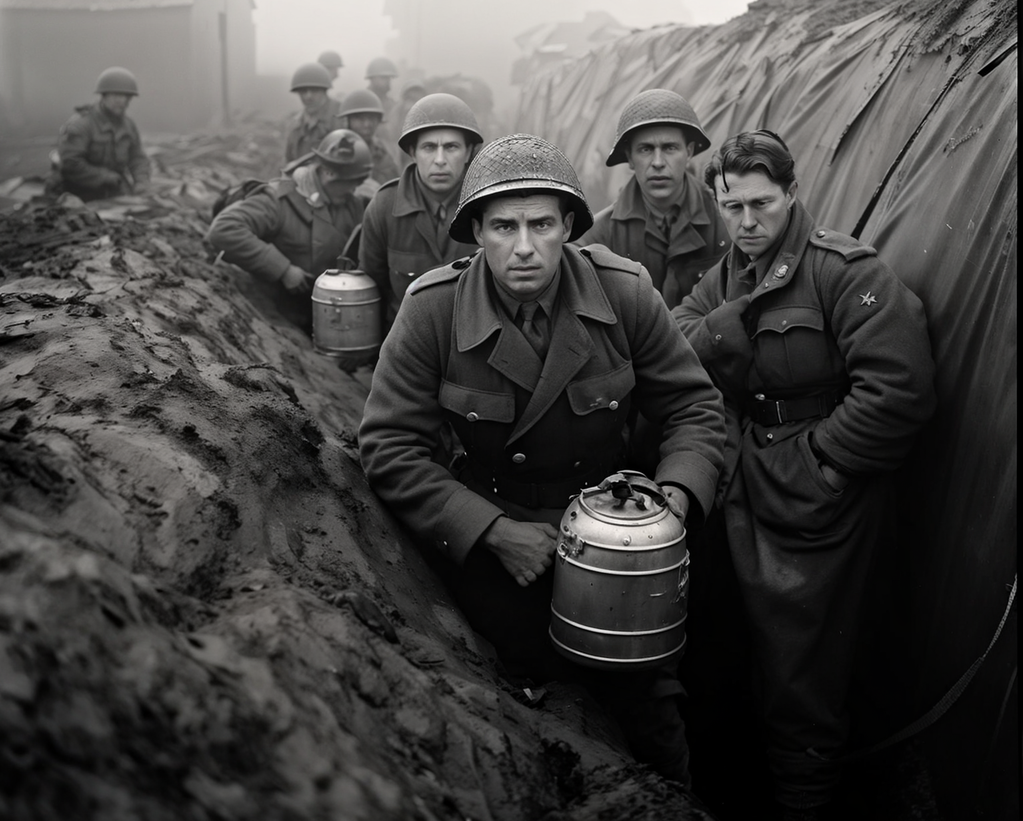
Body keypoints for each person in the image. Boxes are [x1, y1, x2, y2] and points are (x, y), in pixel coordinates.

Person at [359, 134, 727, 788]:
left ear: (568, 229)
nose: (523, 246)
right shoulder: (433, 311)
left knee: (652, 713)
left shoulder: (624, 293)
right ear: (476, 231)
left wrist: (668, 506)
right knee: (517, 715)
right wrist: (494, 533)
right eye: (503, 226)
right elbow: (388, 446)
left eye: (541, 224)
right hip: (497, 537)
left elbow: (694, 411)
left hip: (616, 535)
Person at [672, 129, 937, 821]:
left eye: (762, 205)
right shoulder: (729, 272)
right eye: (732, 208)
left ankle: (804, 806)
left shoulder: (844, 272)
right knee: (727, 641)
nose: (748, 223)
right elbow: (678, 335)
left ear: (793, 194)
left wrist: (821, 463)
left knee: (801, 670)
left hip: (822, 504)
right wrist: (733, 321)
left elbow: (899, 390)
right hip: (751, 485)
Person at [579, 89, 729, 309]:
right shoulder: (600, 235)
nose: (658, 162)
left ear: (688, 152)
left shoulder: (725, 221)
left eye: (669, 148)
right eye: (646, 149)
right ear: (630, 158)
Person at [207, 130, 370, 333]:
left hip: (326, 310)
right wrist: (283, 269)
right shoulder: (277, 200)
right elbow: (224, 228)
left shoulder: (349, 204)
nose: (354, 189)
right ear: (329, 174)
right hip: (274, 314)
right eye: (351, 182)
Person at [358, 93, 483, 333]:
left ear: (468, 153)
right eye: (428, 147)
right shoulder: (384, 207)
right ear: (412, 153)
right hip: (405, 346)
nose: (439, 160)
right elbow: (373, 286)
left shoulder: (487, 205)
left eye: (451, 147)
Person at [49, 67, 151, 201]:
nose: (121, 101)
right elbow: (70, 163)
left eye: (126, 96)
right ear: (103, 95)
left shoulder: (128, 125)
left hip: (111, 191)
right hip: (75, 193)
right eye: (115, 95)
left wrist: (141, 182)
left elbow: (137, 157)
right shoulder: (81, 125)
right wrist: (105, 177)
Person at [337, 89, 400, 186]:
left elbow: (395, 185)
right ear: (347, 121)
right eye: (360, 118)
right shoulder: (336, 150)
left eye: (371, 118)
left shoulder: (382, 151)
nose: (367, 124)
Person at [284, 63, 343, 165]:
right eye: (303, 91)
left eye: (314, 90)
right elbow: (287, 163)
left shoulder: (342, 117)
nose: (308, 96)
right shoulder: (295, 126)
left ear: (325, 90)